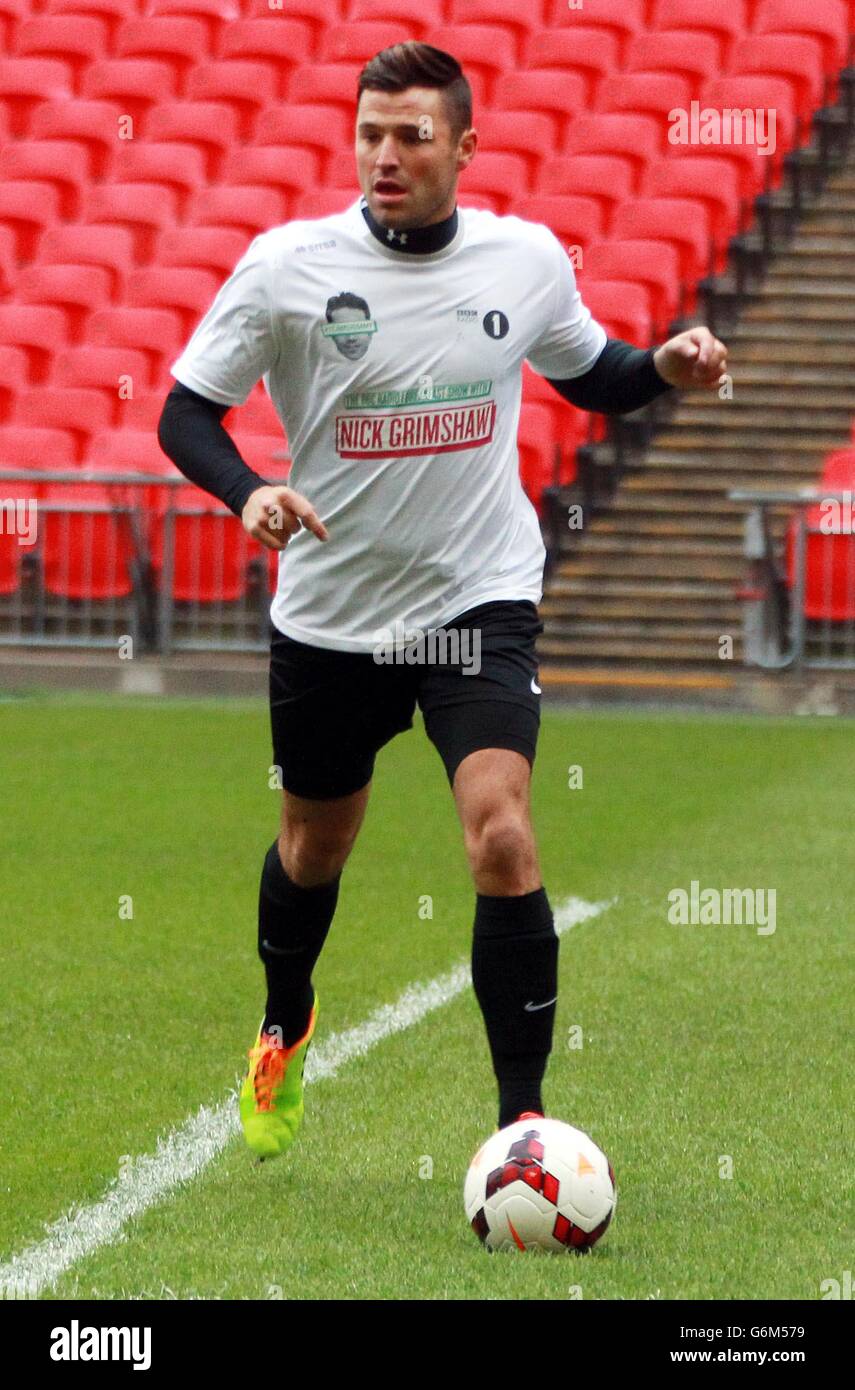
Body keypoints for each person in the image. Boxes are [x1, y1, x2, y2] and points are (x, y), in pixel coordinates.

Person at [158, 42, 728, 1161]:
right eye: (371, 131)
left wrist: (665, 363)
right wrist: (249, 491)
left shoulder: (521, 261)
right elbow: (184, 413)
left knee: (503, 834)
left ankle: (524, 1118)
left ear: (464, 147)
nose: (386, 154)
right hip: (332, 615)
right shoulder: (287, 268)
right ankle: (285, 1018)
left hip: (477, 599)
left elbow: (595, 374)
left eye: (412, 135)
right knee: (316, 845)